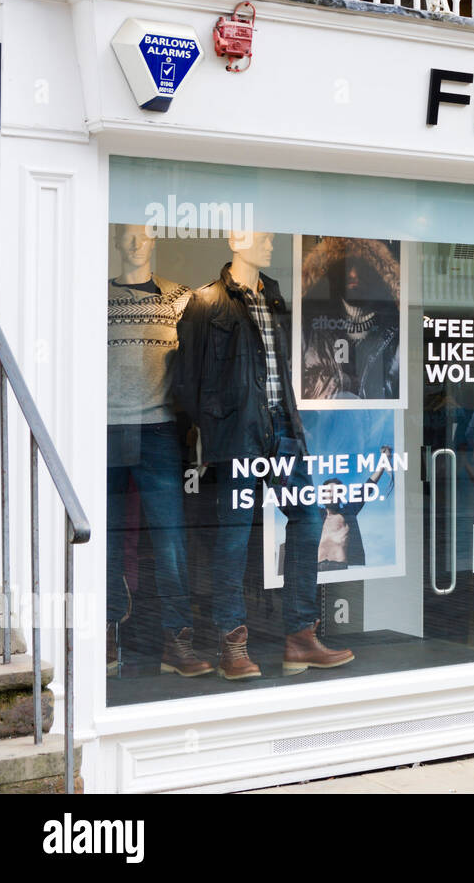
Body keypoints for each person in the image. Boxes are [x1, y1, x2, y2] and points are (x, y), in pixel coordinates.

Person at [174, 230, 355, 680]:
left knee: (309, 517)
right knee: (234, 535)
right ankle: (231, 643)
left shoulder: (272, 295)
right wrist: (218, 423)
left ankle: (299, 637)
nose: (271, 242)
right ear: (236, 239)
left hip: (282, 426)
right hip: (238, 431)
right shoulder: (206, 302)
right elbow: (187, 382)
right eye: (262, 235)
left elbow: (282, 366)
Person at [106, 225, 211, 679]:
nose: (134, 243)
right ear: (115, 242)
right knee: (105, 539)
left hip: (159, 429)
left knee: (169, 539)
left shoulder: (181, 299)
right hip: (102, 429)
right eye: (125, 235)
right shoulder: (93, 297)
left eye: (142, 235)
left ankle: (177, 640)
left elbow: (204, 362)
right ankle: (106, 637)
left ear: (154, 241)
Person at [299, 236, 400, 402]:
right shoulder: (308, 324)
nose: (353, 273)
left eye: (362, 266)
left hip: (380, 427)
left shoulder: (396, 331)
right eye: (345, 266)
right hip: (318, 426)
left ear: (378, 272)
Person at [317, 445, 393, 572]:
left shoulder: (348, 512)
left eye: (335, 491)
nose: (330, 494)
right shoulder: (316, 515)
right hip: (317, 568)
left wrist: (384, 460)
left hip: (338, 567)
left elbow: (367, 488)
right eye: (327, 491)